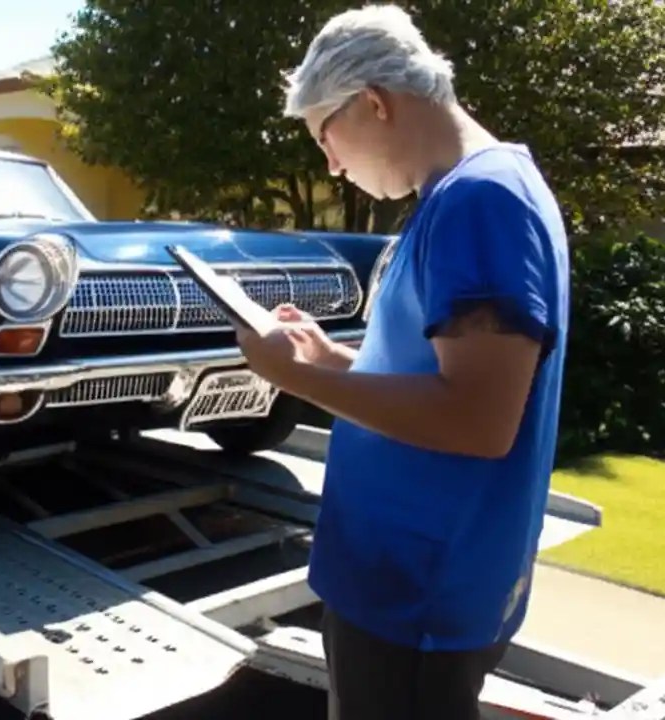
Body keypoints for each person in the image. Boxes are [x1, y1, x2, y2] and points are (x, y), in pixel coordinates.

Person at [234, 5, 571, 719]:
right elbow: (435, 376)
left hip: (416, 595)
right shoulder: (469, 193)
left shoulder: (480, 202)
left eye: (325, 136)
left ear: (374, 102)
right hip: (403, 586)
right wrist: (332, 358)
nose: (331, 164)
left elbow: (478, 420)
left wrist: (293, 376)